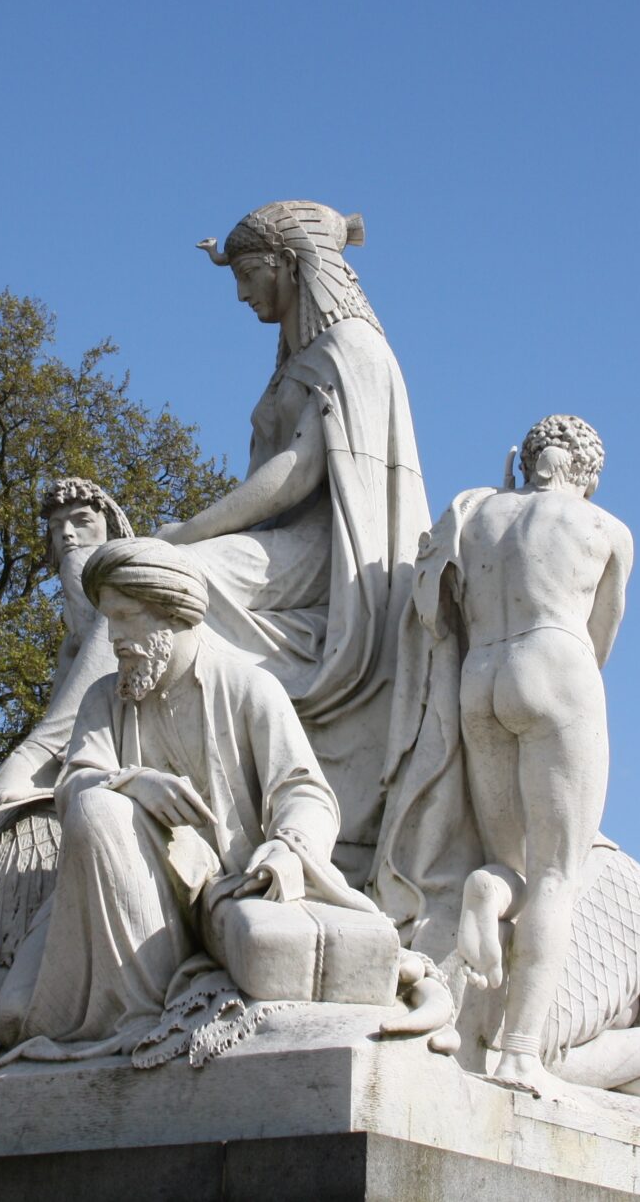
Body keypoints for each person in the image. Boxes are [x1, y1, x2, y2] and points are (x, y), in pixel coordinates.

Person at [0, 538, 368, 1052]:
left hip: (223, 889)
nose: (116, 639)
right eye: (109, 620)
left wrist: (288, 847)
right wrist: (134, 781)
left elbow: (306, 792)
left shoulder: (248, 688)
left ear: (172, 614)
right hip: (117, 893)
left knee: (101, 809)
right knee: (14, 1019)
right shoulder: (107, 697)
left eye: (126, 618)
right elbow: (74, 782)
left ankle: (143, 1015)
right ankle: (127, 1009)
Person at [374, 415, 637, 1095]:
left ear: (525, 461)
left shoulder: (476, 510)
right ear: (586, 467)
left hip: (480, 679)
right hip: (556, 663)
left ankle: (487, 888)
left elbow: (439, 608)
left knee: (510, 863)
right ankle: (521, 1052)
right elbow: (599, 640)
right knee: (558, 874)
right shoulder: (606, 528)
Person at [167, 200, 428, 880]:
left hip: (323, 557)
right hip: (284, 546)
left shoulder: (350, 350)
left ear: (289, 264)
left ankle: (57, 764)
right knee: (144, 579)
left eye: (250, 273)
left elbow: (297, 473)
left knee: (165, 580)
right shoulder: (303, 358)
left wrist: (184, 534)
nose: (243, 291)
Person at [0, 478, 132, 815]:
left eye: (81, 521)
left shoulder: (100, 572)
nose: (67, 533)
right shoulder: (72, 632)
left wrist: (32, 754)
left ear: (109, 527)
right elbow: (65, 702)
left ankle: (30, 757)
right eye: (57, 527)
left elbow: (112, 641)